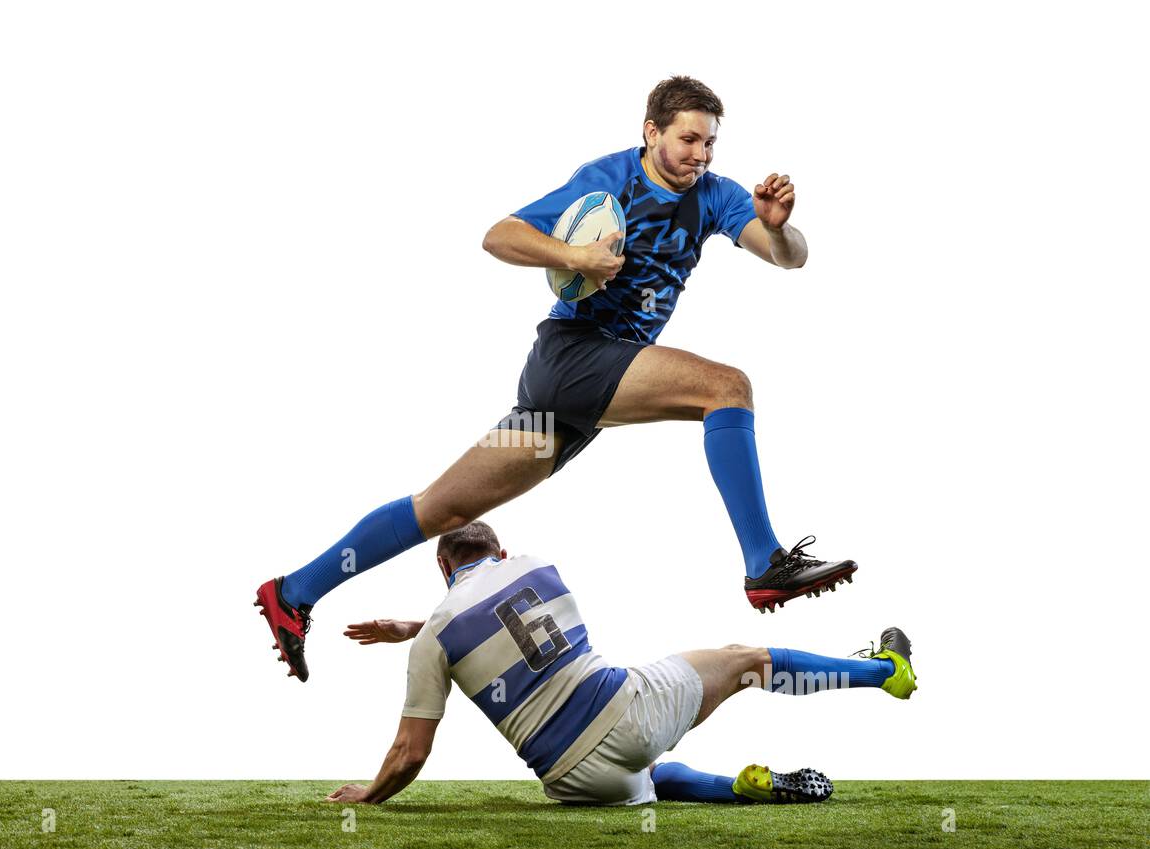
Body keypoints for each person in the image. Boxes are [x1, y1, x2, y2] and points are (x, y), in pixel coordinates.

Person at [257, 75, 856, 683]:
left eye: (710, 143)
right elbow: (499, 236)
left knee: (440, 508)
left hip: (586, 392)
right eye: (688, 140)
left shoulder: (717, 195)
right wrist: (575, 256)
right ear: (651, 132)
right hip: (572, 357)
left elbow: (790, 256)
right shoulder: (610, 179)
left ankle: (294, 592)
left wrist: (776, 227)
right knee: (726, 388)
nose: (700, 154)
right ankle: (764, 562)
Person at [324, 522, 916, 806]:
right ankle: (888, 672)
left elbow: (411, 754)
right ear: (500, 552)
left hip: (570, 777)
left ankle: (737, 789)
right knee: (749, 660)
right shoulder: (535, 566)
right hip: (627, 713)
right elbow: (507, 616)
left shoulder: (435, 637)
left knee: (652, 776)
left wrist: (369, 795)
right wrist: (419, 627)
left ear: (441, 569)